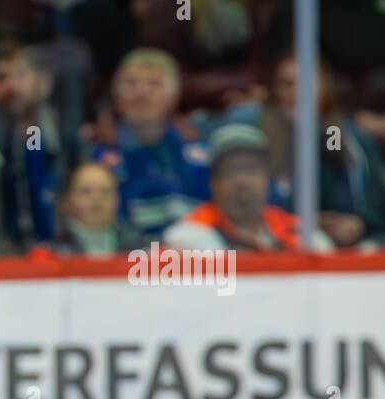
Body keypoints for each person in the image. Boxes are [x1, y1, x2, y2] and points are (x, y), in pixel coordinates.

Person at [224, 53, 385, 249]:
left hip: (352, 249)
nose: (296, 92)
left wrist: (361, 224)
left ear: (324, 88)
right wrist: (299, 222)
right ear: (274, 90)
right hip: (277, 244)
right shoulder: (256, 132)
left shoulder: (349, 140)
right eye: (287, 84)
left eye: (305, 83)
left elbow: (377, 205)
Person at [92, 48, 211, 238]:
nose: (142, 93)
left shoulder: (202, 157)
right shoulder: (97, 159)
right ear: (116, 95)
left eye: (154, 84)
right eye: (131, 84)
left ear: (174, 96)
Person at [163, 123, 334, 253]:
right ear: (213, 182)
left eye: (251, 169)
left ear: (268, 179)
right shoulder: (188, 235)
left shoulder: (300, 233)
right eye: (231, 170)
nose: (242, 180)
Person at [0, 42, 70, 252]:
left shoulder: (63, 129)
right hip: (2, 251)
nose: (11, 86)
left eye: (19, 75)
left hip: (62, 250)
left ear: (44, 81)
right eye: (1, 78)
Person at [42, 161, 147, 258]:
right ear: (69, 199)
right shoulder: (51, 253)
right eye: (85, 191)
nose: (97, 199)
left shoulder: (140, 250)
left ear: (117, 199)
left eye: (105, 191)